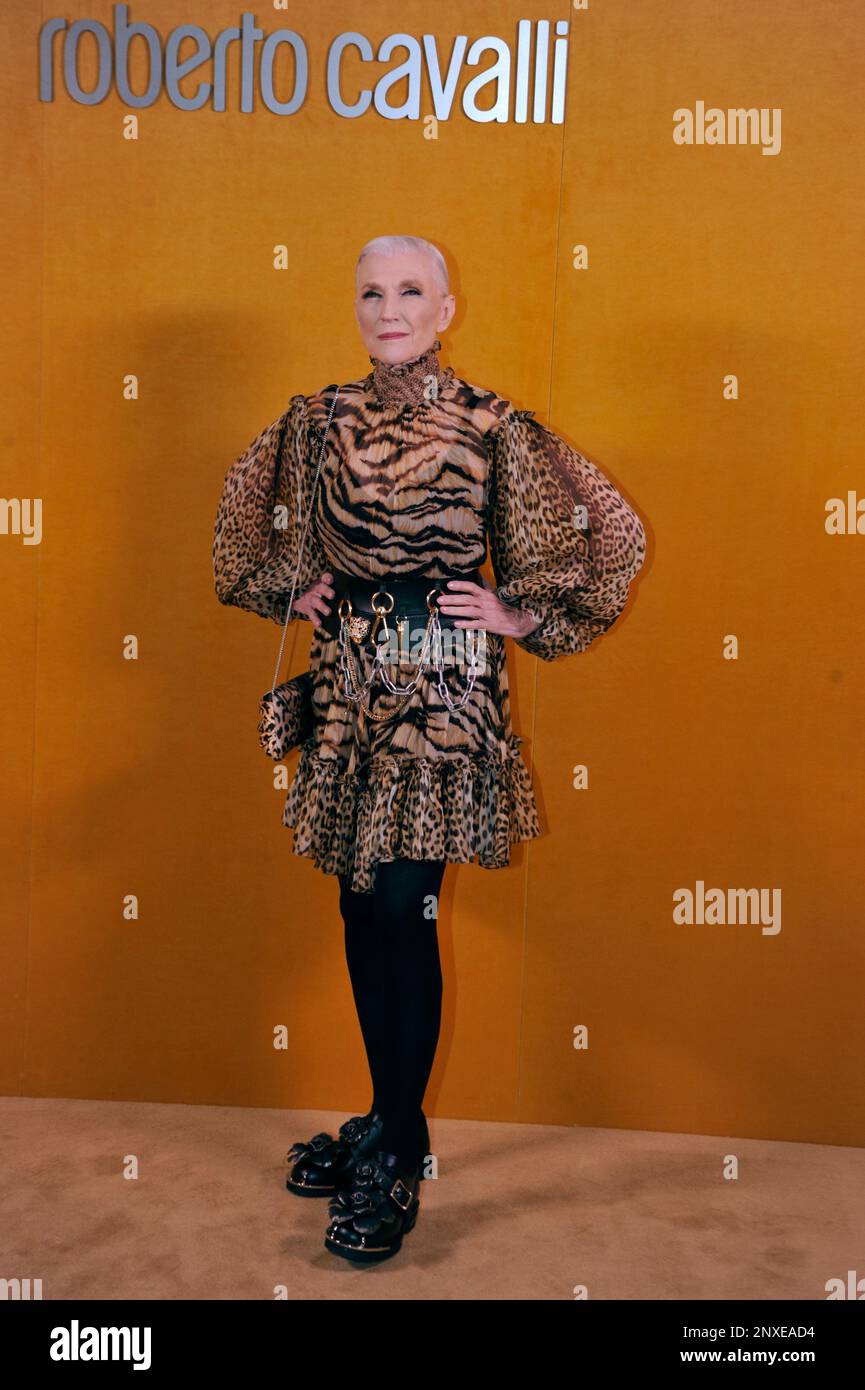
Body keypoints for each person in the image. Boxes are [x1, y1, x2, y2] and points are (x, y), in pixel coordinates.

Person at [212, 234, 646, 1264]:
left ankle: (399, 1152)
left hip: (442, 690)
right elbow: (244, 525)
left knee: (404, 907)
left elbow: (612, 533)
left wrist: (518, 616)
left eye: (410, 291)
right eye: (370, 292)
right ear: (355, 307)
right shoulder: (315, 419)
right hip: (350, 685)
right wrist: (293, 585)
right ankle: (380, 1114)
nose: (388, 308)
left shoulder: (492, 425)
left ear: (445, 307)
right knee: (363, 903)